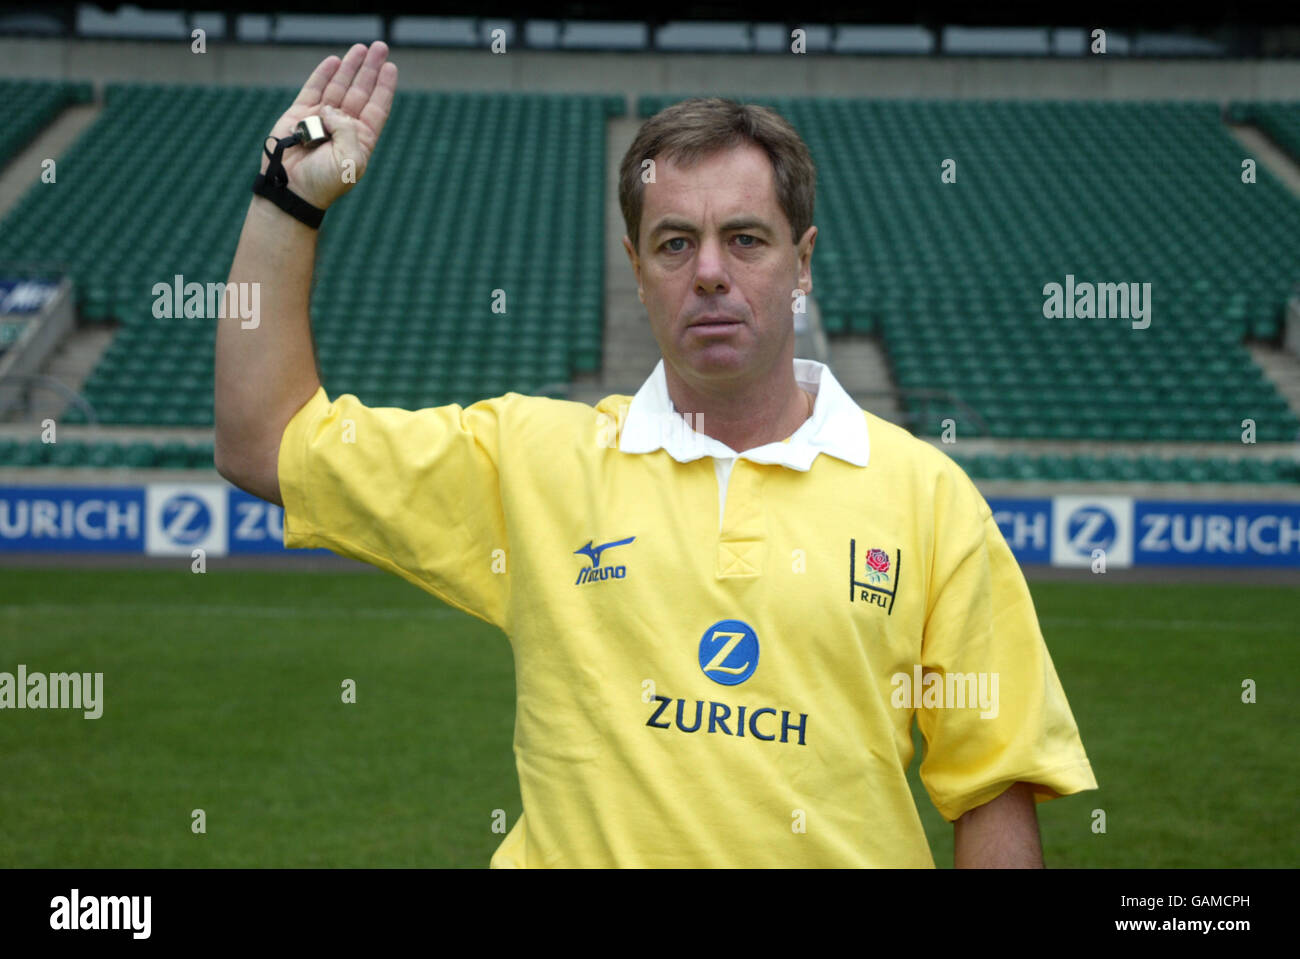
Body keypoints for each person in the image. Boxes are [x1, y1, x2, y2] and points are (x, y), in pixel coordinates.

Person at [215, 41, 1098, 868]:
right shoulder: (533, 461)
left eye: (746, 239)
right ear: (637, 271)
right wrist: (286, 201)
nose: (709, 271)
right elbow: (264, 440)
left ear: (803, 265)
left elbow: (990, 787)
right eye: (676, 243)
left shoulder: (928, 497)